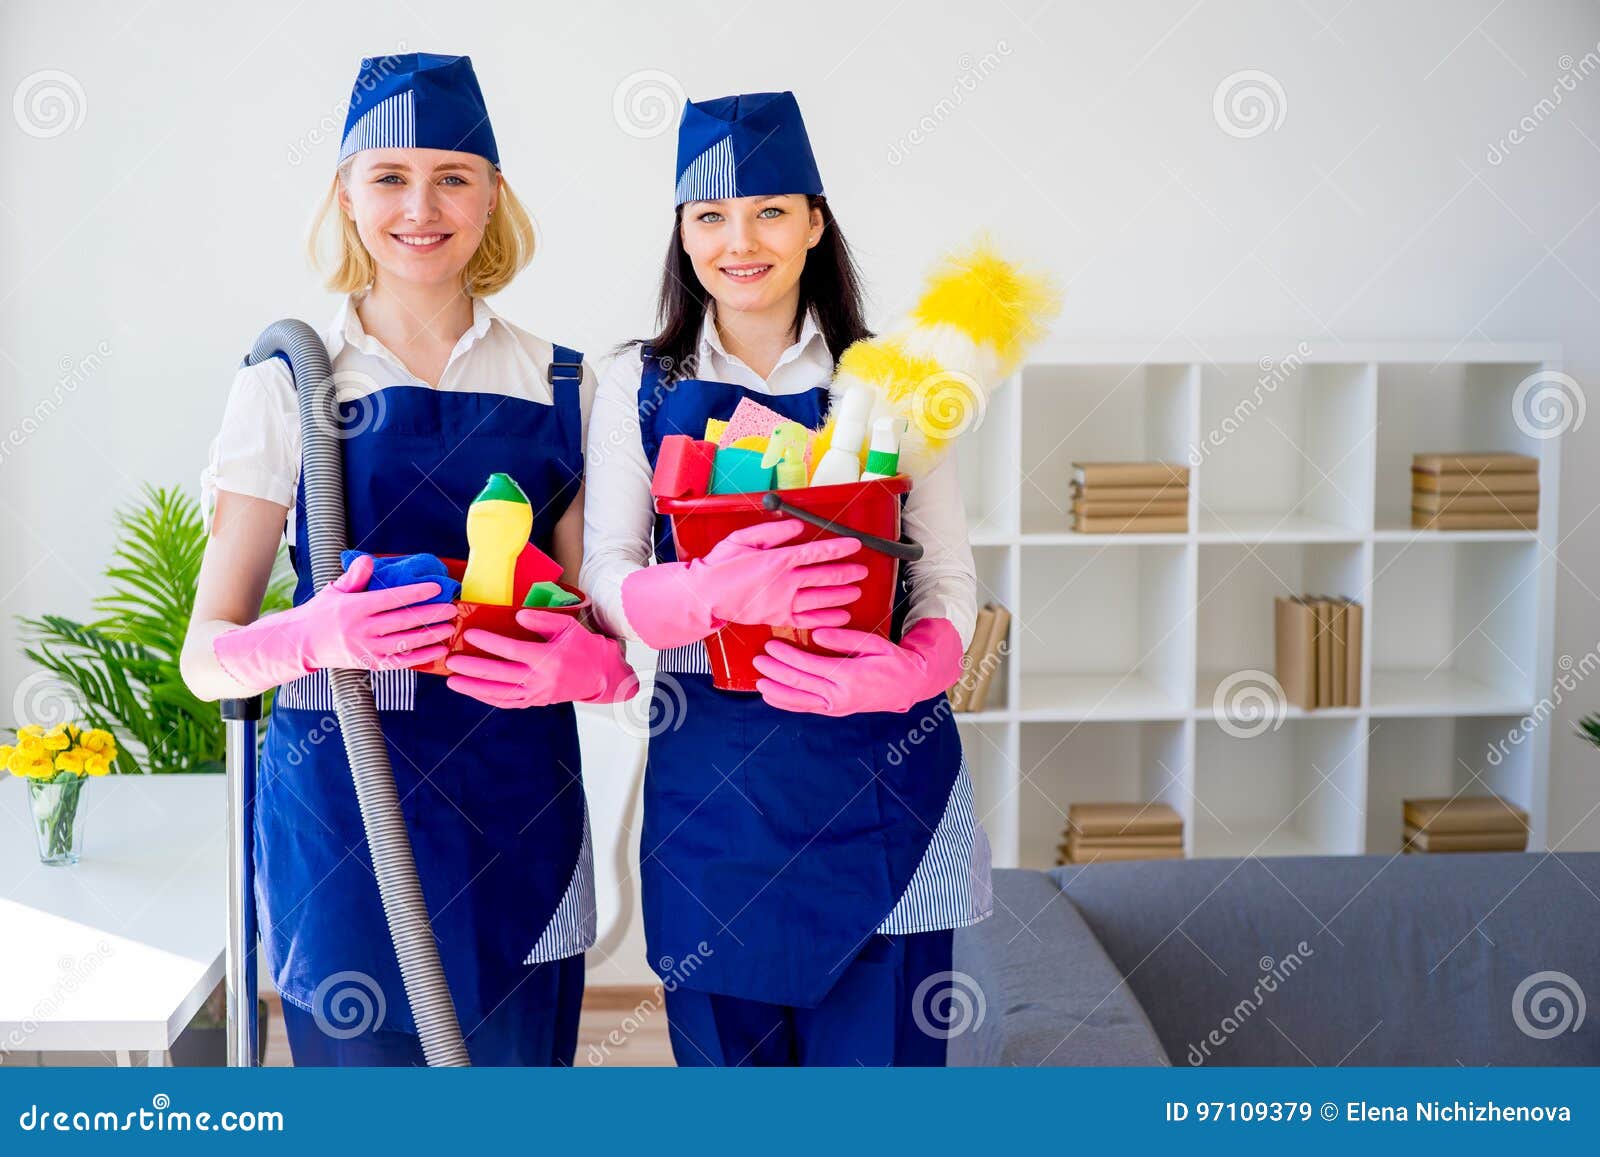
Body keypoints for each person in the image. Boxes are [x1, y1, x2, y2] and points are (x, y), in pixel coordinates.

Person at [181, 53, 632, 1066]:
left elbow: (604, 622)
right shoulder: (284, 382)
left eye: (452, 176)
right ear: (345, 196)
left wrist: (596, 665)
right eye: (389, 177)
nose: (419, 207)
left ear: (492, 196)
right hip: (343, 824)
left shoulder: (562, 383)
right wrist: (310, 632)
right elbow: (206, 652)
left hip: (520, 815)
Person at [581, 91, 991, 1067]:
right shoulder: (636, 383)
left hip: (886, 797)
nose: (740, 240)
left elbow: (942, 572)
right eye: (710, 216)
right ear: (682, 236)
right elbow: (606, 568)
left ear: (814, 221)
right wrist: (699, 598)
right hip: (715, 811)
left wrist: (912, 669)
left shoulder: (890, 380)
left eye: (769, 210)